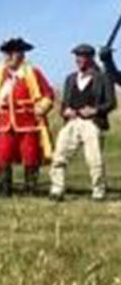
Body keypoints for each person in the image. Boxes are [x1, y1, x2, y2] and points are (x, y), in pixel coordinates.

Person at [0, 37, 53, 196]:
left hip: (29, 122)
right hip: (4, 122)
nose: (7, 57)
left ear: (20, 55)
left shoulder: (33, 73)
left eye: (11, 53)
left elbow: (48, 93)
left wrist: (42, 107)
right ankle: (4, 189)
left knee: (31, 154)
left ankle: (31, 189)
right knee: (3, 154)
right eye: (6, 53)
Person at [50, 42, 112, 200]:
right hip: (72, 122)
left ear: (91, 58)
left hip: (92, 123)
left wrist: (95, 110)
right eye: (77, 56)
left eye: (83, 56)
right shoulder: (70, 79)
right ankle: (57, 189)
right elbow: (64, 102)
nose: (79, 59)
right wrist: (65, 111)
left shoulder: (103, 78)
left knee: (94, 159)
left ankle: (98, 191)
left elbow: (111, 103)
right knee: (59, 155)